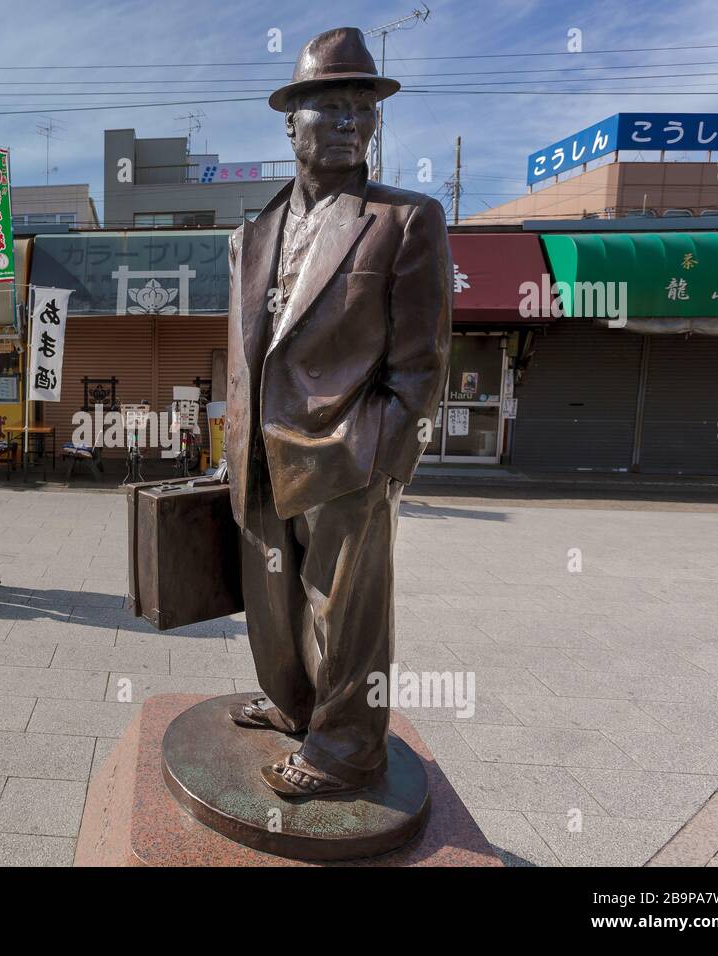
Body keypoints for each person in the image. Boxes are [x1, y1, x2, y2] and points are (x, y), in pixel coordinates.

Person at [224, 28, 451, 797]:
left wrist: (386, 457)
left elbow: (422, 362)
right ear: (291, 124)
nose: (353, 121)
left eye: (364, 107)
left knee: (349, 616)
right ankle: (294, 704)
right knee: (275, 601)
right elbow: (245, 350)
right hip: (260, 454)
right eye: (332, 106)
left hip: (351, 454)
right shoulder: (250, 235)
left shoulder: (406, 219)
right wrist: (229, 442)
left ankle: (347, 747)